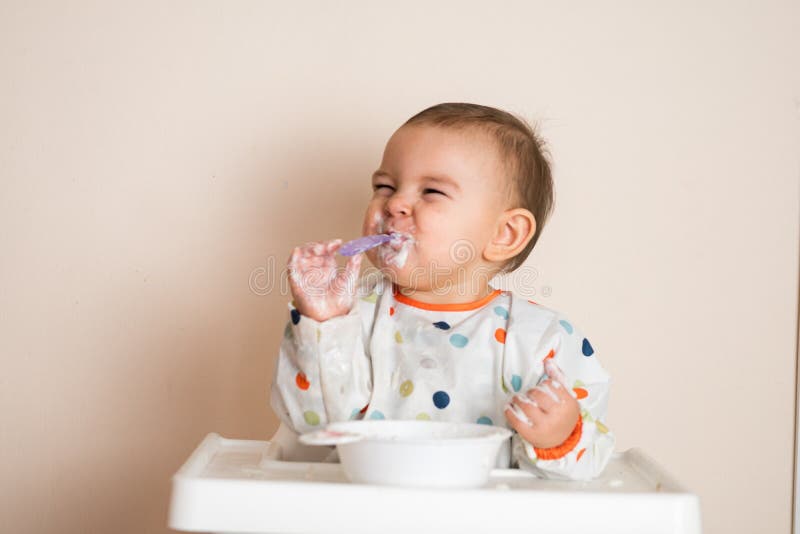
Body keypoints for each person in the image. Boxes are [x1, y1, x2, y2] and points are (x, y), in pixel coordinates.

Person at [270, 103, 615, 480]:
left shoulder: (542, 341)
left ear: (505, 234)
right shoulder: (349, 316)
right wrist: (323, 325)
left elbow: (587, 466)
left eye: (431, 191)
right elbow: (312, 425)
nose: (395, 203)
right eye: (384, 186)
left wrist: (560, 436)